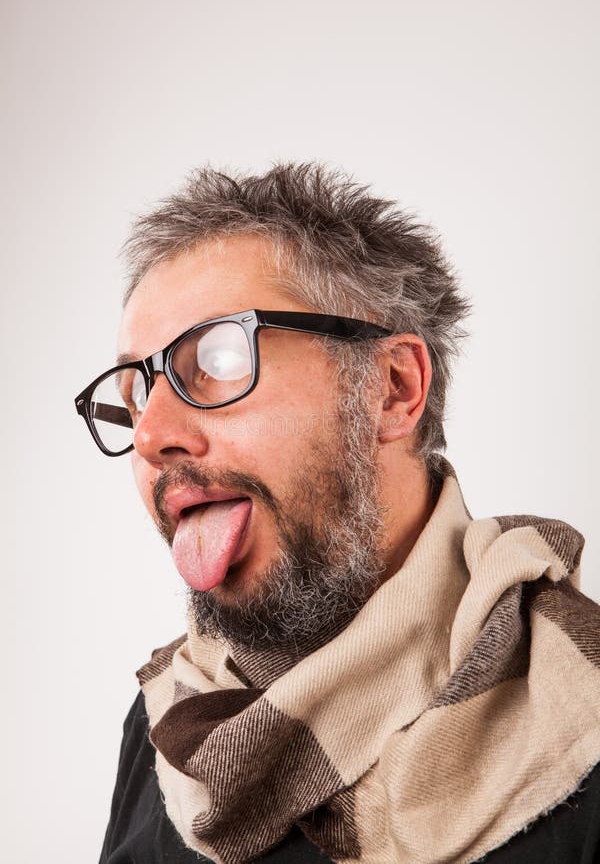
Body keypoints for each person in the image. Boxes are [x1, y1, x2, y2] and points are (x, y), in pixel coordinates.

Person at [75, 163, 600, 864]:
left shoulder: (583, 711)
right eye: (139, 392)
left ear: (392, 388)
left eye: (221, 358)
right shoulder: (165, 729)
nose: (150, 435)